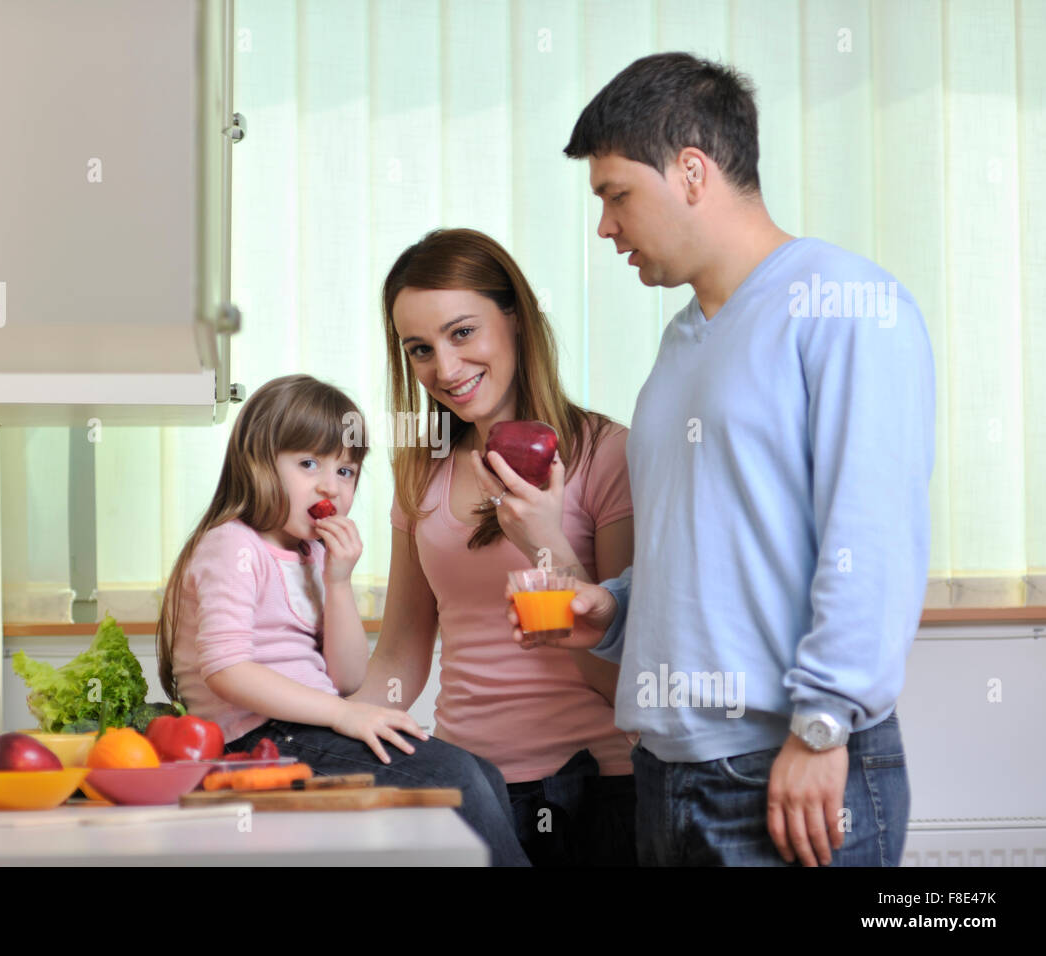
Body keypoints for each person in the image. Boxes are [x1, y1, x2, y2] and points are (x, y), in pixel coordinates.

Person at [509, 52, 934, 867]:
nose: (605, 227)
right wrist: (613, 611)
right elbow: (711, 550)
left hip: (787, 767)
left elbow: (872, 538)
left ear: (692, 171)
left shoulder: (846, 307)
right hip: (667, 774)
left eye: (616, 195)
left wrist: (822, 726)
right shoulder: (681, 345)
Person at [348, 228, 638, 866]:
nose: (445, 369)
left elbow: (623, 673)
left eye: (462, 333)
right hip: (468, 787)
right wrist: (325, 732)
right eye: (420, 349)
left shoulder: (606, 454)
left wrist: (545, 544)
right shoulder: (422, 469)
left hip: (594, 789)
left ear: (516, 319)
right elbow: (400, 654)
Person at [156, 374, 530, 866]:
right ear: (257, 461)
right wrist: (342, 715)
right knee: (457, 779)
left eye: (347, 470)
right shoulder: (232, 545)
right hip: (256, 740)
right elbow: (227, 670)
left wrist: (338, 581)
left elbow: (348, 678)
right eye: (308, 463)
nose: (329, 485)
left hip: (307, 727)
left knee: (484, 775)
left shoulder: (311, 555)